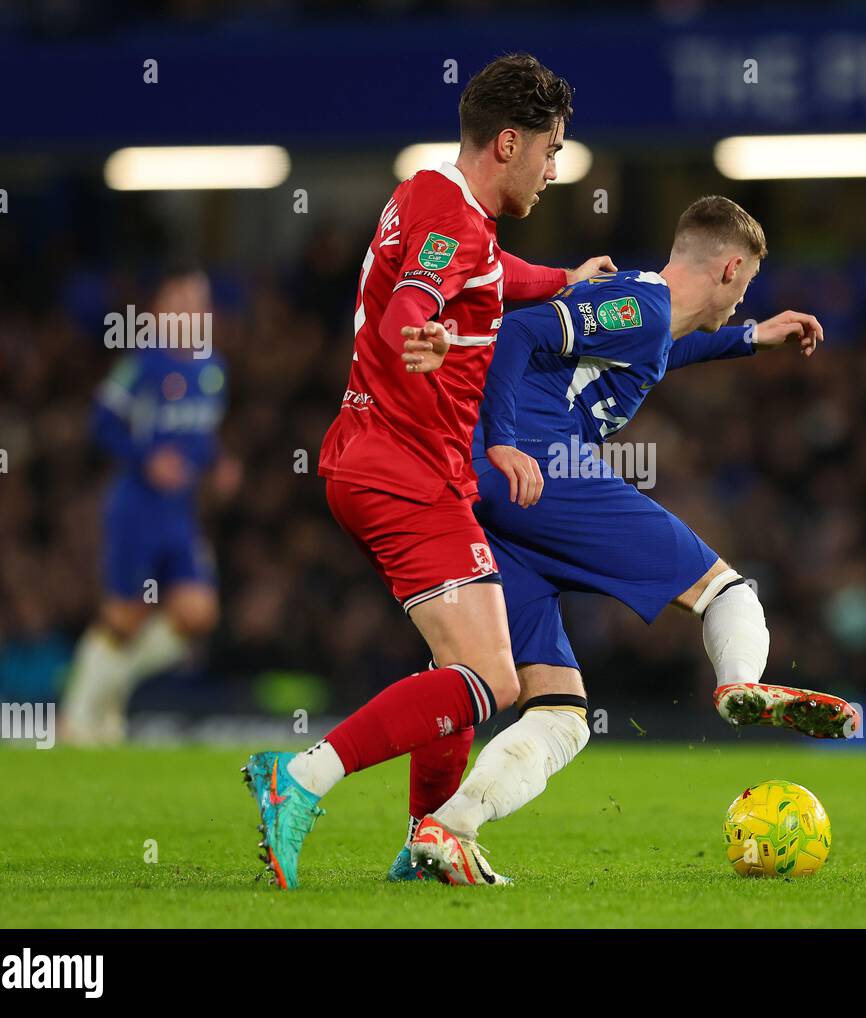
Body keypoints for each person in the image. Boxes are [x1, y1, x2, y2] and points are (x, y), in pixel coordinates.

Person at [398, 196, 855, 886]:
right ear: (731, 267)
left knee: (560, 713)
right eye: (748, 286)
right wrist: (504, 446)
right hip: (542, 470)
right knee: (725, 591)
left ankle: (446, 829)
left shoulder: (644, 313)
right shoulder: (638, 309)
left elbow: (662, 349)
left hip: (502, 507)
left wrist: (750, 336)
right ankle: (739, 686)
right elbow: (519, 333)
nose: (743, 299)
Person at [241, 53, 615, 890]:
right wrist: (420, 332)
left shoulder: (438, 198)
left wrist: (564, 279)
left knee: (462, 672)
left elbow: (485, 273)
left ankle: (425, 842)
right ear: (509, 143)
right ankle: (299, 778)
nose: (555, 170)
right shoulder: (452, 216)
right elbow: (421, 290)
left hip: (391, 463)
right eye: (551, 151)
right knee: (491, 677)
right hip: (404, 469)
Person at [62, 267, 238, 745]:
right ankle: (79, 721)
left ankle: (108, 690)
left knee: (197, 612)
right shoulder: (142, 364)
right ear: (161, 310)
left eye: (199, 300)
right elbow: (101, 423)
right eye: (181, 299)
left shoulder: (213, 369)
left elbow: (200, 437)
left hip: (178, 514)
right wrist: (146, 459)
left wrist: (218, 463)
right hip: (135, 507)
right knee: (124, 617)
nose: (192, 310)